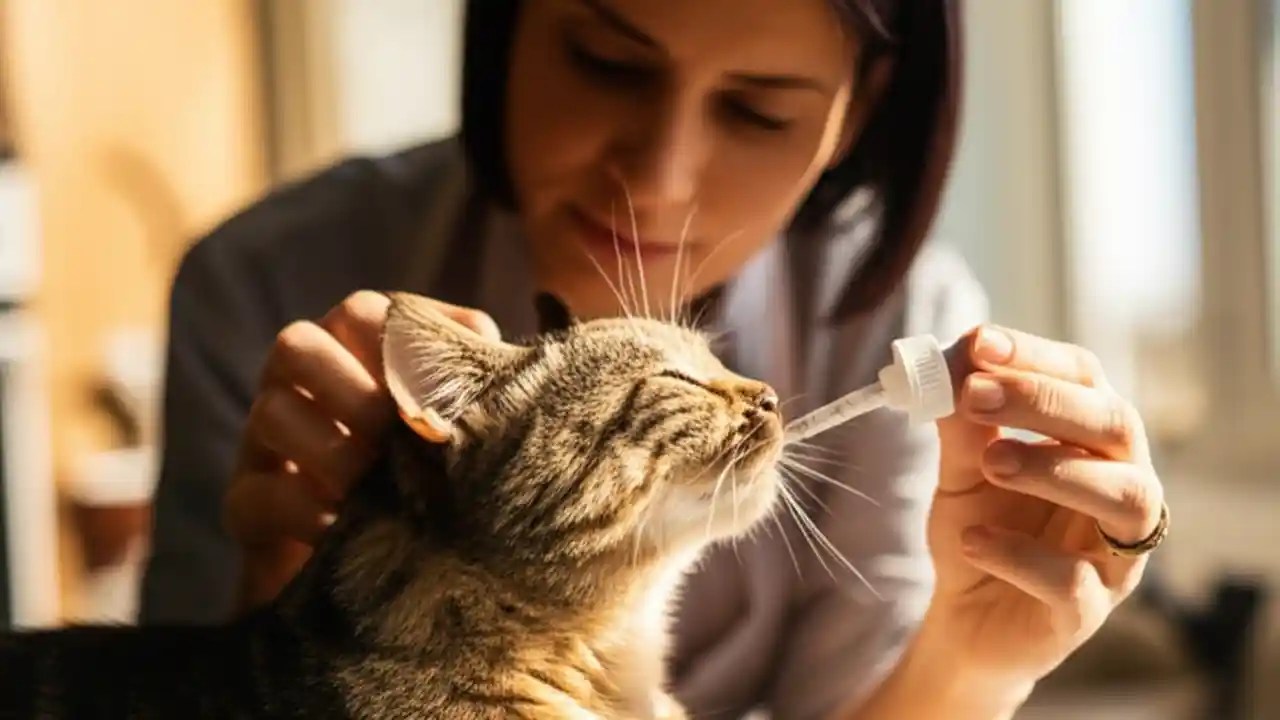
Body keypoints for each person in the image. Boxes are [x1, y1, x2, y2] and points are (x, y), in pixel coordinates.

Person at [138, 1, 1170, 718]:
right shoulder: (262, 279)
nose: (659, 178)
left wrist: (971, 664)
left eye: (758, 111)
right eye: (606, 63)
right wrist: (284, 605)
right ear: (504, 24)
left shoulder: (904, 313)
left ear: (854, 112)